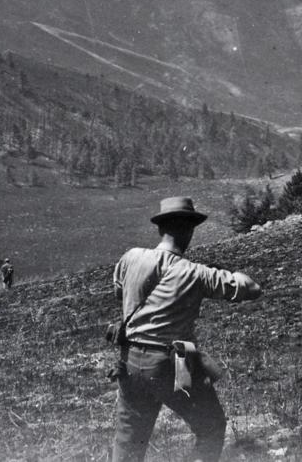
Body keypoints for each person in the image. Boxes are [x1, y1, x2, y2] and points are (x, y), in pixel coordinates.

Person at [111, 197, 263, 462]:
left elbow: (119, 295)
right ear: (190, 230)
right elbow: (252, 288)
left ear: (160, 229)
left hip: (130, 361)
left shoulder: (130, 258)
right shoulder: (197, 273)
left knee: (129, 439)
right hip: (169, 365)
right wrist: (222, 271)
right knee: (211, 427)